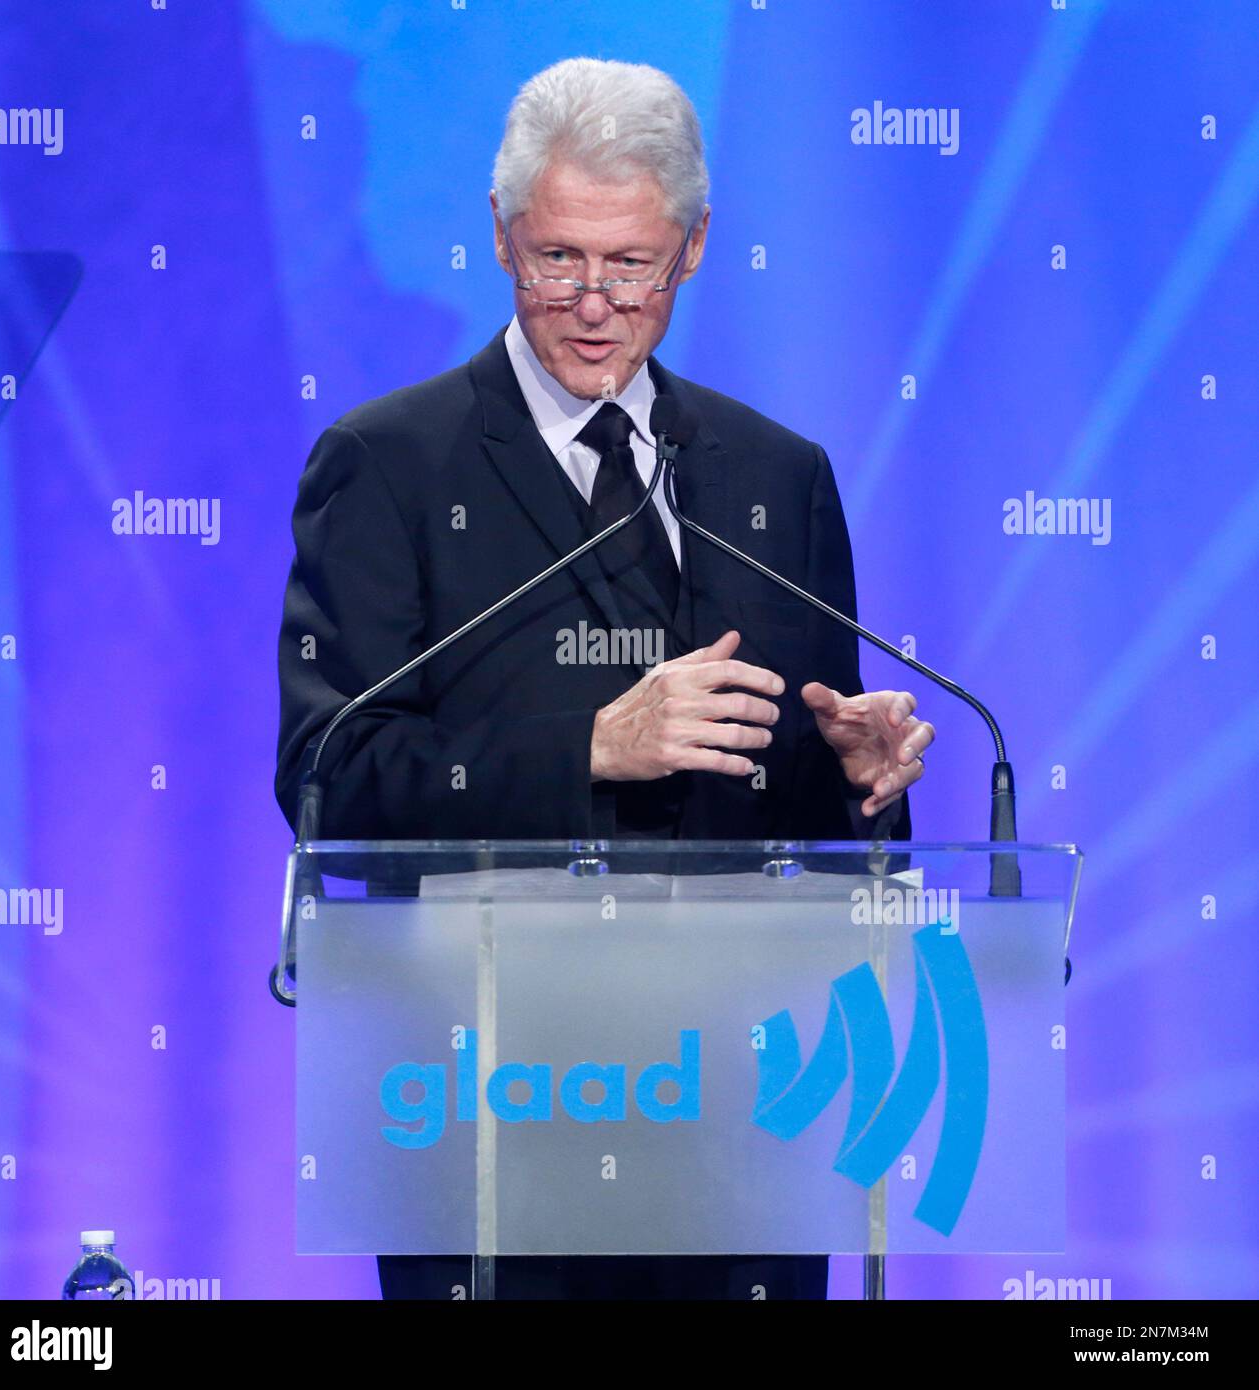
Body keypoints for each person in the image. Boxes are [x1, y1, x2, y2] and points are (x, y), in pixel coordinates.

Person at [276, 57, 934, 1301]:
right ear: (499, 236)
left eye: (628, 263)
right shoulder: (387, 464)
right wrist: (583, 745)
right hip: (482, 1107)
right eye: (556, 258)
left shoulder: (771, 476)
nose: (591, 301)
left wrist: (865, 790)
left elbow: (820, 841)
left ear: (691, 248)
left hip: (744, 1114)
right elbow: (325, 783)